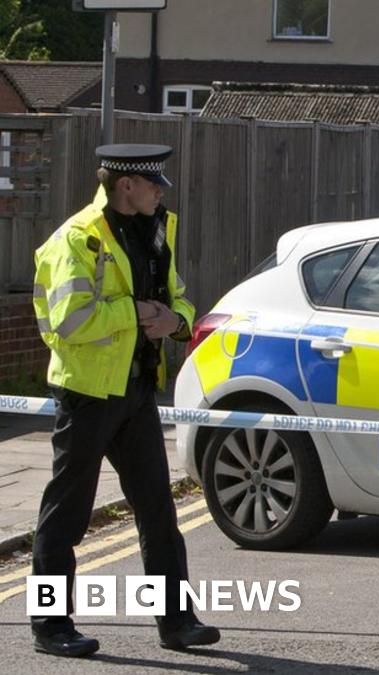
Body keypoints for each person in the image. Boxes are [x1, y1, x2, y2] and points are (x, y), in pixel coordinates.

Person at [30, 144, 219, 657]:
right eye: (154, 184)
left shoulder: (156, 229)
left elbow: (178, 295)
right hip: (88, 393)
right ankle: (50, 626)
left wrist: (174, 320)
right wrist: (136, 313)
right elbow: (69, 323)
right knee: (67, 514)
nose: (161, 192)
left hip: (136, 390)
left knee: (158, 511)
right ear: (125, 186)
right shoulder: (77, 239)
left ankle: (177, 623)